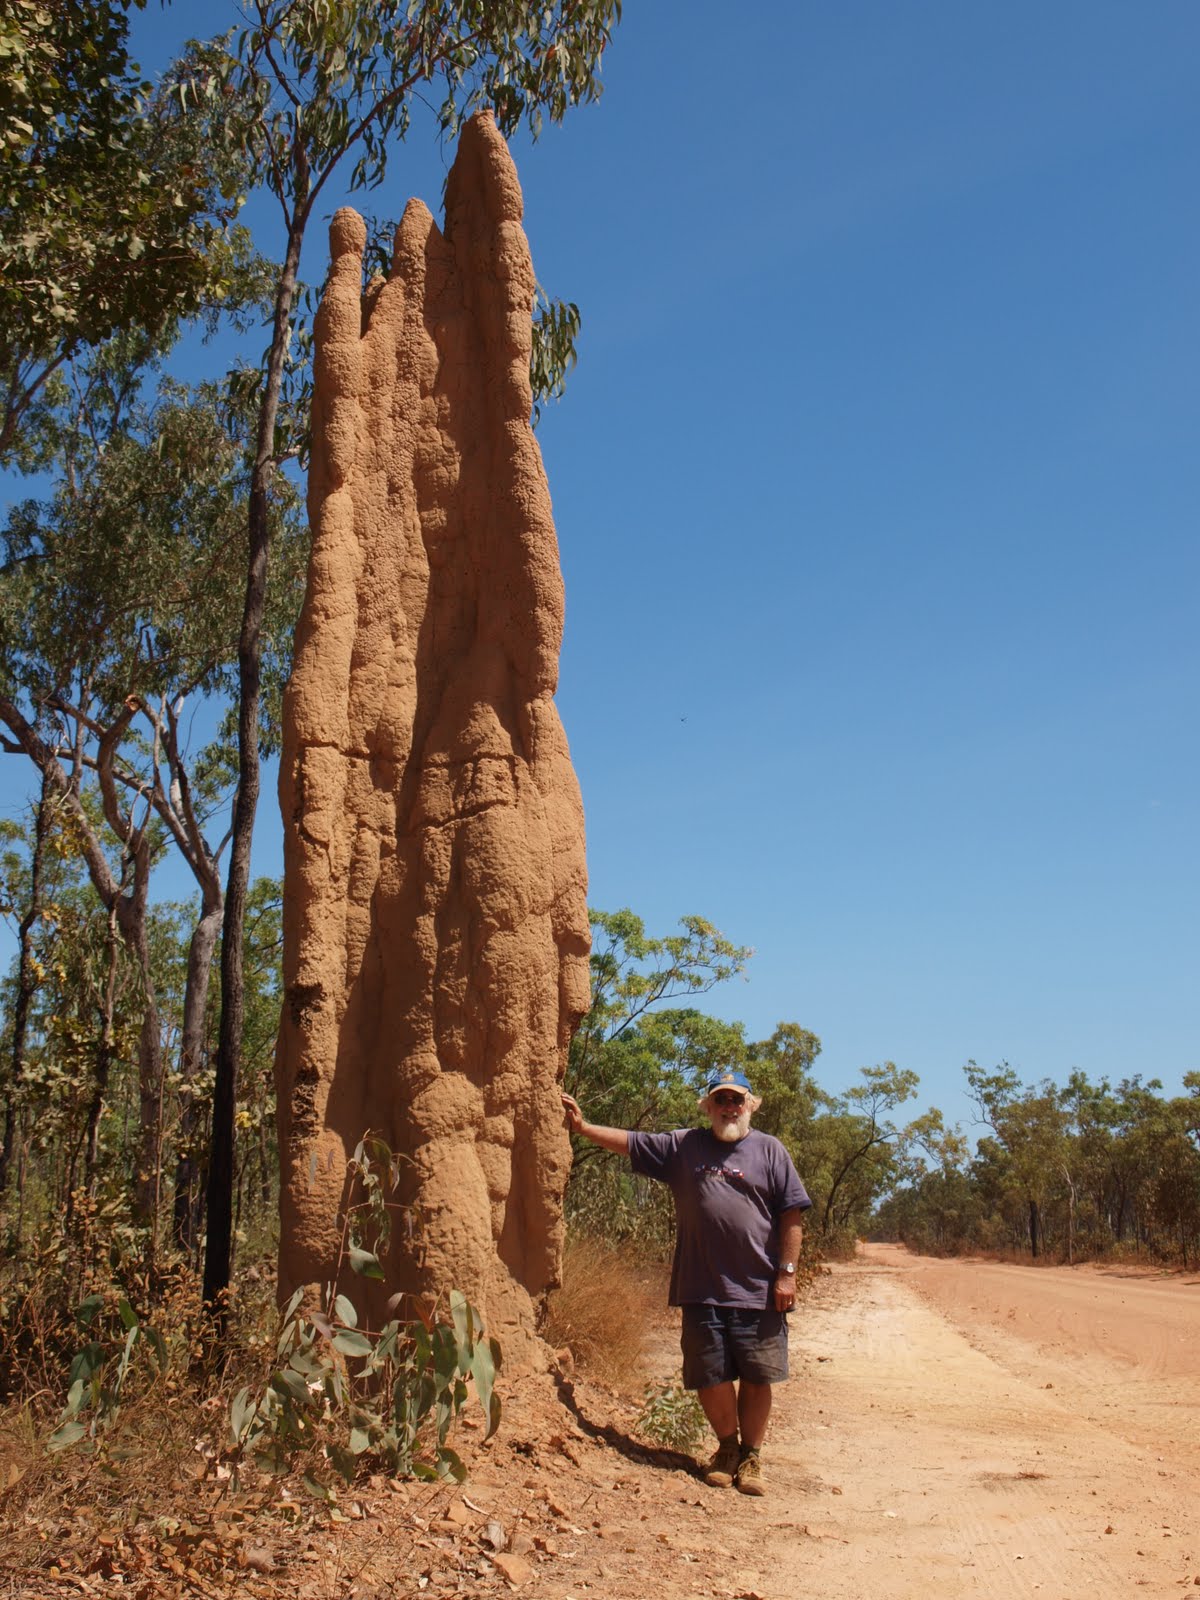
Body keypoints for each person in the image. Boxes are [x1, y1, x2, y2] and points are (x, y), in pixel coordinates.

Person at [560, 1069, 811, 1497]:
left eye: (737, 1100)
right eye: (721, 1100)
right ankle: (726, 1449)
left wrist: (786, 1275)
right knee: (709, 1373)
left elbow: (792, 1216)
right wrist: (583, 1128)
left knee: (757, 1376)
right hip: (701, 1287)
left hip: (758, 1289)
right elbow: (631, 1142)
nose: (729, 1107)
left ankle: (752, 1456)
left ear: (751, 1105)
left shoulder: (770, 1150)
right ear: (708, 1107)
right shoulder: (685, 1146)